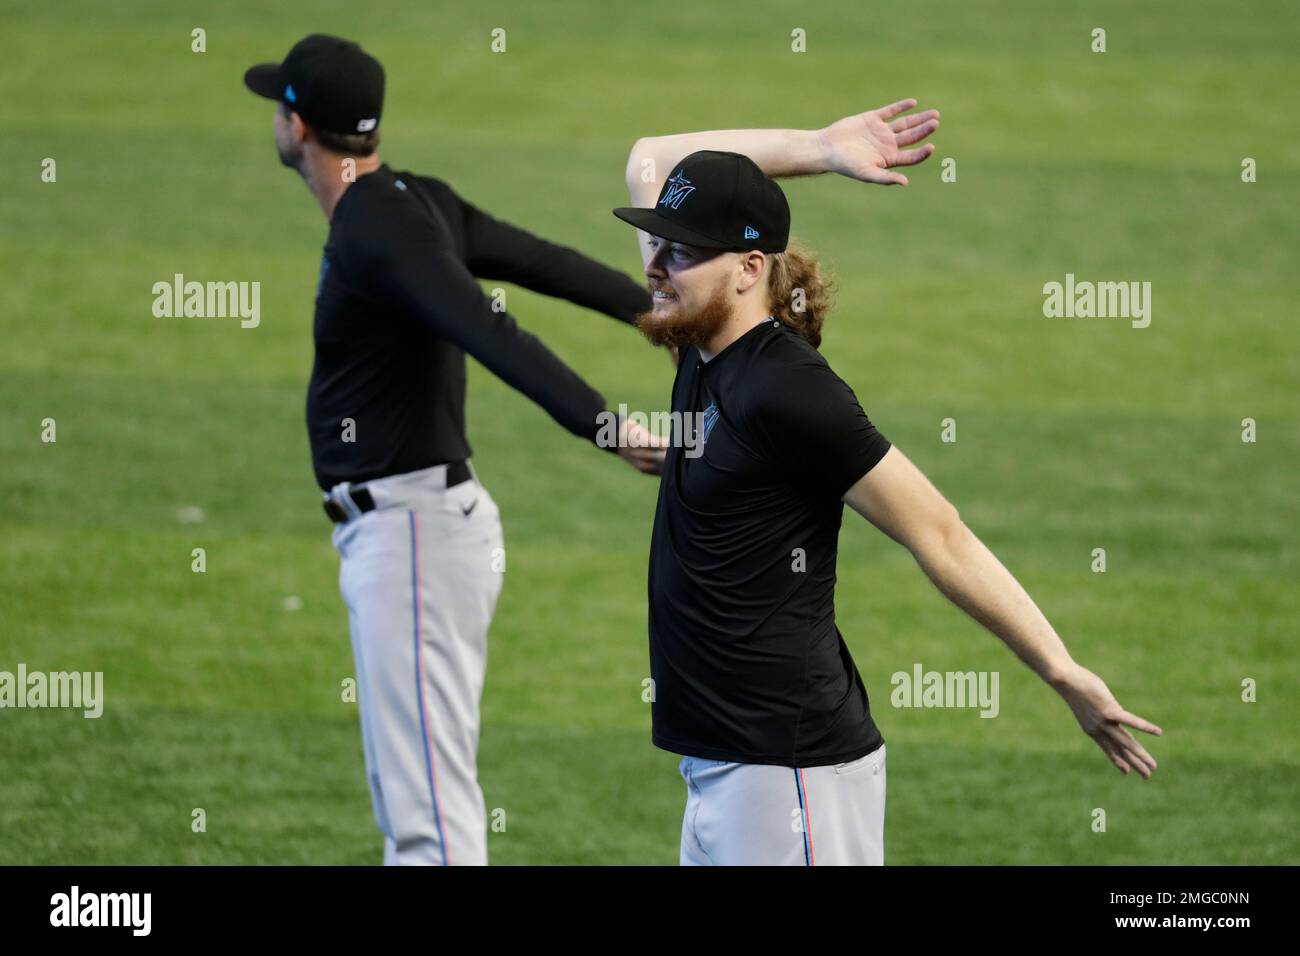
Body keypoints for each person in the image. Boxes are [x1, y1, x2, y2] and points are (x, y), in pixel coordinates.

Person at [612, 100, 1162, 866]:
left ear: (748, 269)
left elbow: (940, 532)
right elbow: (650, 155)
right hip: (722, 763)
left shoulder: (790, 389)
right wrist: (820, 147)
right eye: (660, 244)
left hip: (789, 773)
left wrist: (1062, 671)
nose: (655, 265)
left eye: (679, 252)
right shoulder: (699, 345)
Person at [243, 34, 663, 865]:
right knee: (422, 802)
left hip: (413, 538)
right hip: (411, 532)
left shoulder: (380, 224)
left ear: (298, 125)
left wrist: (604, 425)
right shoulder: (409, 200)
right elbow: (538, 260)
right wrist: (650, 312)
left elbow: (487, 325)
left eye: (277, 107)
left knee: (428, 823)